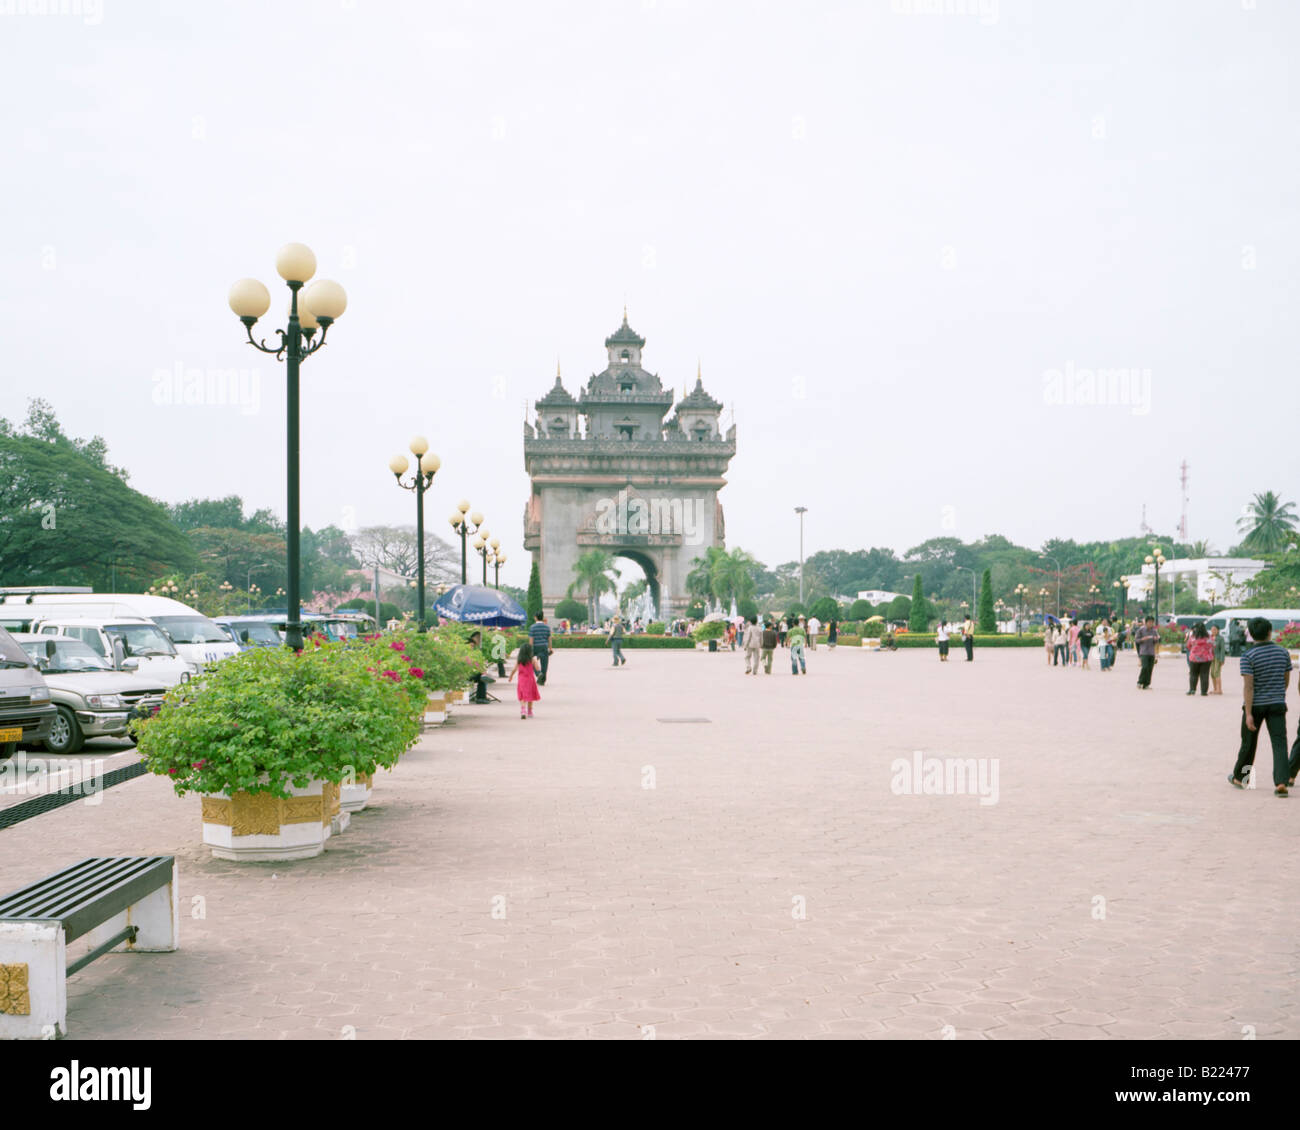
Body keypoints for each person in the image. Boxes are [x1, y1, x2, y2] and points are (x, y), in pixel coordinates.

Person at [1229, 617, 1292, 796]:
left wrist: (1248, 713)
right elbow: (1285, 680)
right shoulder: (1283, 653)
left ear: (1250, 634)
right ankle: (1281, 782)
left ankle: (1241, 777)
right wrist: (1277, 693)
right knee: (1280, 744)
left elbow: (1249, 687)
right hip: (1277, 704)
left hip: (1255, 705)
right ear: (1270, 632)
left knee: (1248, 743)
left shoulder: (1248, 656)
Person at [508, 638, 541, 720]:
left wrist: (511, 676)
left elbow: (514, 669)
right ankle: (529, 711)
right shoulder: (532, 659)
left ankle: (523, 710)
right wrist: (536, 660)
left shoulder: (519, 660)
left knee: (523, 696)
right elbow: (538, 669)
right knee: (530, 696)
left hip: (522, 680)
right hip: (530, 680)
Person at [1187, 622, 1214, 696]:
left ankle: (1192, 690)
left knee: (1193, 674)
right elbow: (1212, 645)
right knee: (1205, 675)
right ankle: (1204, 691)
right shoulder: (1209, 637)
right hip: (1206, 659)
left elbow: (1188, 646)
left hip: (1194, 659)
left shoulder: (1193, 637)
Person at [1134, 615, 1160, 689]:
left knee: (1150, 668)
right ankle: (1140, 682)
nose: (1151, 624)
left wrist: (1156, 639)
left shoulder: (1154, 631)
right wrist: (1143, 639)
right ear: (1146, 622)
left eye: (1152, 622)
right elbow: (1136, 640)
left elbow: (1156, 641)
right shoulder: (1141, 630)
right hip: (1144, 652)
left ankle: (1146, 684)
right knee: (1144, 667)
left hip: (1151, 652)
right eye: (1149, 622)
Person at [529, 613, 552, 686]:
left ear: (535, 618)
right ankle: (543, 680)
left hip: (535, 647)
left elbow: (531, 639)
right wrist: (550, 648)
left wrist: (530, 649)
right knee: (544, 664)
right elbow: (549, 639)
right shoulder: (547, 627)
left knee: (533, 661)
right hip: (544, 647)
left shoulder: (532, 627)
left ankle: (538, 674)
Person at [1210, 625, 1226, 695]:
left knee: (1217, 672)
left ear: (1218, 630)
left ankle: (1219, 689)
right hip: (1211, 658)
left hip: (1218, 657)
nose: (1213, 631)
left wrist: (1222, 659)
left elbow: (1222, 650)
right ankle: (1215, 689)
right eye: (1212, 629)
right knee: (1212, 673)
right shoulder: (1210, 638)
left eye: (1215, 630)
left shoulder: (1221, 638)